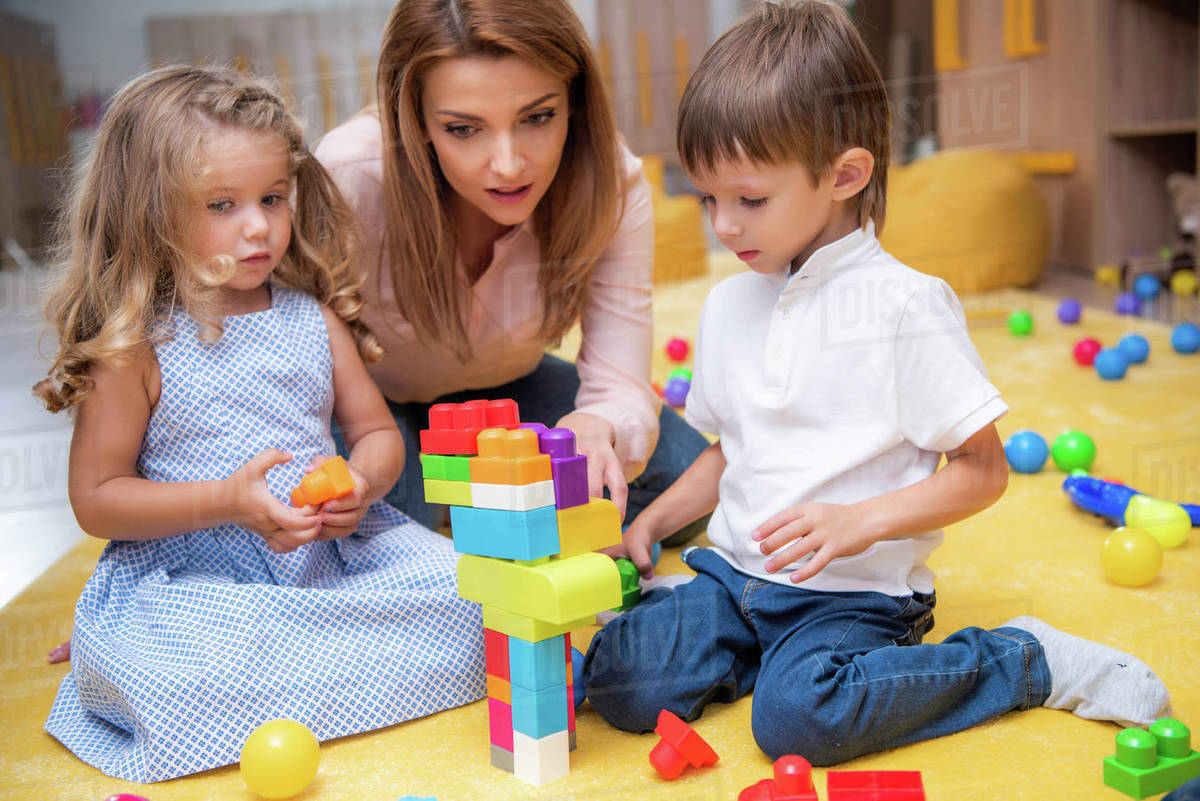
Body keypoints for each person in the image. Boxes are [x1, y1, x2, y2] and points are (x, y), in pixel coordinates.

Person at [582, 0, 1172, 765]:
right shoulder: (730, 301)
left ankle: (1020, 659)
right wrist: (655, 522)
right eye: (709, 198)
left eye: (749, 199)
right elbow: (731, 451)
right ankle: (742, 649)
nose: (723, 226)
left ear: (845, 174)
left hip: (855, 595)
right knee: (616, 680)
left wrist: (860, 520)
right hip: (735, 577)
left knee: (798, 719)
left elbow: (983, 471)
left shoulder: (905, 304)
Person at [33, 65, 483, 782]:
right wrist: (226, 502)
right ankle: (159, 664)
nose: (258, 226)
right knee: (185, 679)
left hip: (329, 560)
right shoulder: (137, 345)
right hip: (197, 579)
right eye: (222, 203)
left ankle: (306, 675)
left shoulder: (312, 318)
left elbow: (377, 437)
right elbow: (98, 497)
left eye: (273, 197)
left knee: (479, 599)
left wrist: (360, 486)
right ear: (148, 211)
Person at [314, 0, 709, 545]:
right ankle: (464, 503)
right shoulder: (349, 176)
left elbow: (618, 379)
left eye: (537, 117)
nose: (508, 165)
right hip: (372, 406)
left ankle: (473, 501)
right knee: (395, 550)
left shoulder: (612, 183)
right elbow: (293, 353)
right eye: (463, 129)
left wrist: (598, 426)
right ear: (418, 119)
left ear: (573, 100)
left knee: (688, 490)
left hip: (508, 390)